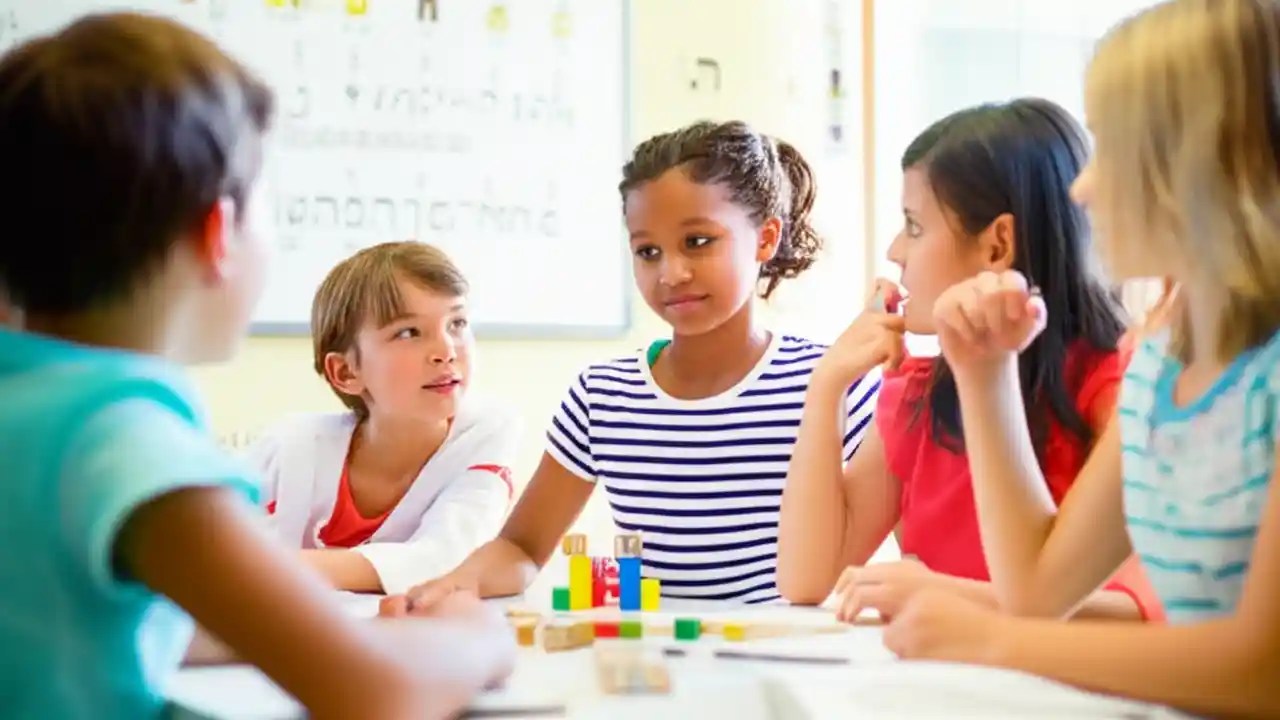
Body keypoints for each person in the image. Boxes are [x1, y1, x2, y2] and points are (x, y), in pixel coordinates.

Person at [0, 13, 512, 718]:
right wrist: (474, 638)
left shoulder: (25, 407)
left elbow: (131, 624)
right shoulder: (122, 439)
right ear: (218, 233)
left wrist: (306, 626)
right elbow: (378, 691)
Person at [884, 1, 1280, 716]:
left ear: (1212, 159)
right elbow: (1038, 588)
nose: (1082, 190)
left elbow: (1262, 667)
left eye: (1114, 147)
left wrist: (988, 639)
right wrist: (984, 372)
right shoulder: (1163, 351)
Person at [383, 120, 879, 613]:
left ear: (766, 238)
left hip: (791, 656)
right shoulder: (603, 396)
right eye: (648, 251)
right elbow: (521, 548)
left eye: (698, 242)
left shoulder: (833, 382)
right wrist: (455, 582)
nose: (671, 274)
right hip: (656, 659)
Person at [779, 98, 1159, 622]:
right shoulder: (919, 392)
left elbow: (1143, 613)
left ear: (998, 244)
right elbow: (805, 579)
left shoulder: (1119, 390)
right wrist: (827, 387)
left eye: (913, 225)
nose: (894, 250)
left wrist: (944, 594)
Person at [251, 241, 520, 595]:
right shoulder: (289, 449)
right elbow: (209, 556)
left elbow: (449, 559)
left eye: (457, 323)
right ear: (346, 371)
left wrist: (274, 565)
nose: (446, 351)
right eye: (408, 333)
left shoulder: (486, 431)